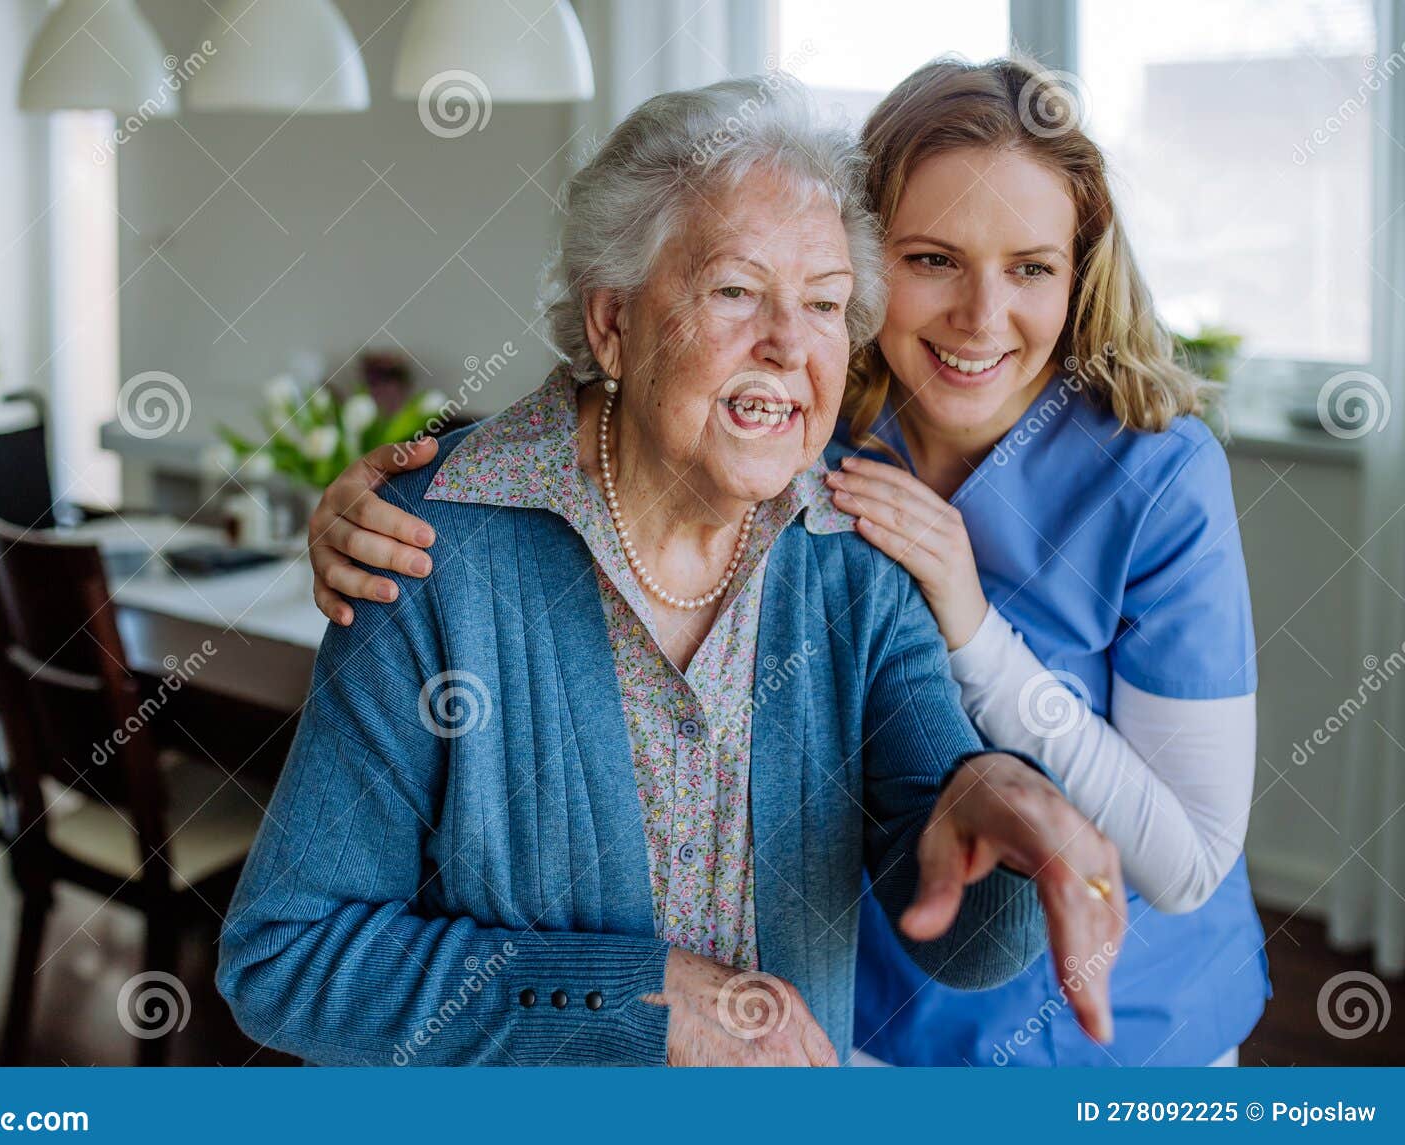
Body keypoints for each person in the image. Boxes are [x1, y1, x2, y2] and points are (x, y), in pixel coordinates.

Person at [302, 58, 1262, 1068]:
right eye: (933, 259)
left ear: (1078, 272)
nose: (981, 318)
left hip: (1122, 1030)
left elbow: (1172, 856)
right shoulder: (814, 439)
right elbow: (623, 407)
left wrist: (977, 653)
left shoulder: (1148, 472)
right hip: (859, 1026)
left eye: (1031, 265)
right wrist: (405, 487)